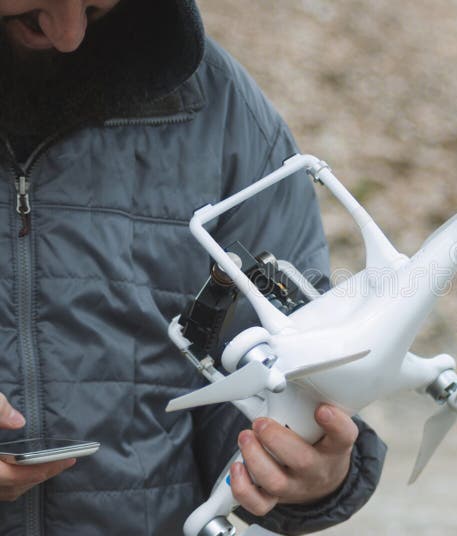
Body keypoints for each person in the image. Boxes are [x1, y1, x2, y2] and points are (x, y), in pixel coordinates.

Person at [0, 0, 386, 534]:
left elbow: (283, 369)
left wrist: (314, 468)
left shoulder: (227, 117)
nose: (70, 36)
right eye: (28, 8)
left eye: (94, 4)